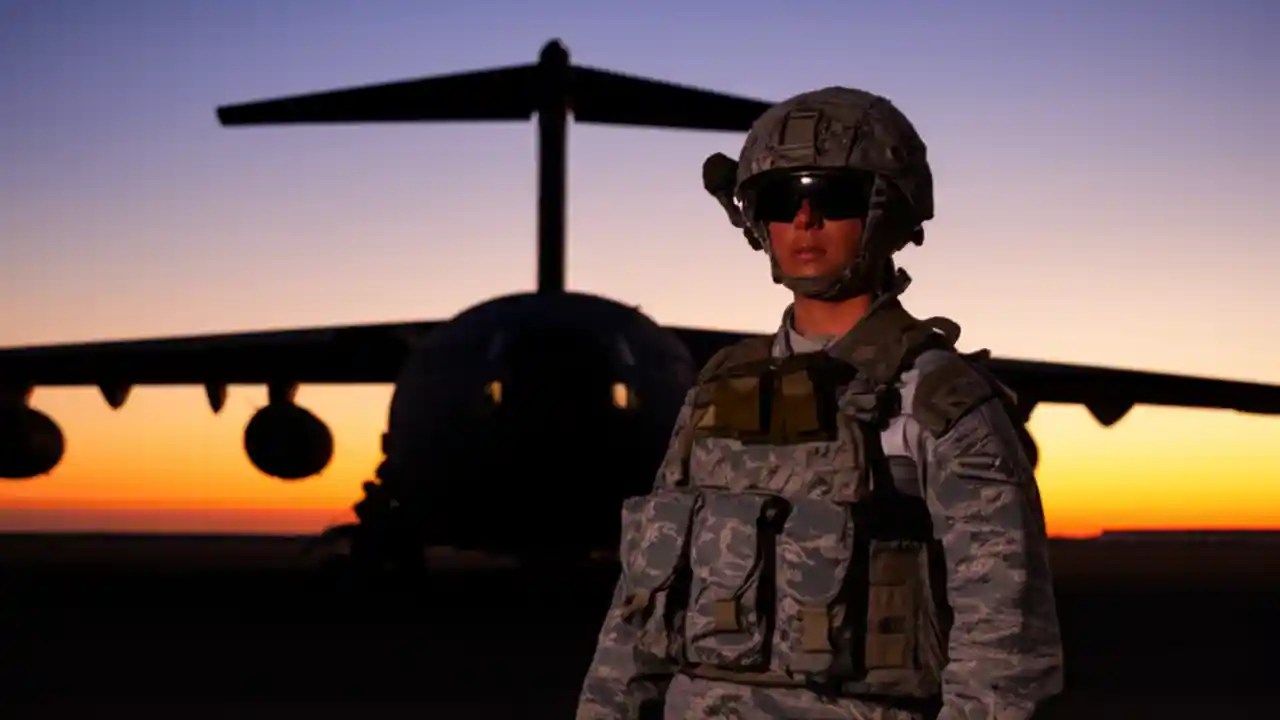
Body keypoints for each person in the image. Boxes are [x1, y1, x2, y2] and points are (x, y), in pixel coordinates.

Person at [576, 87, 1063, 720]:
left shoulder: (934, 400)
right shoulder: (716, 396)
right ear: (757, 221)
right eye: (781, 199)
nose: (804, 220)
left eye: (831, 196)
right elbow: (635, 615)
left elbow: (1004, 647)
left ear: (887, 211)